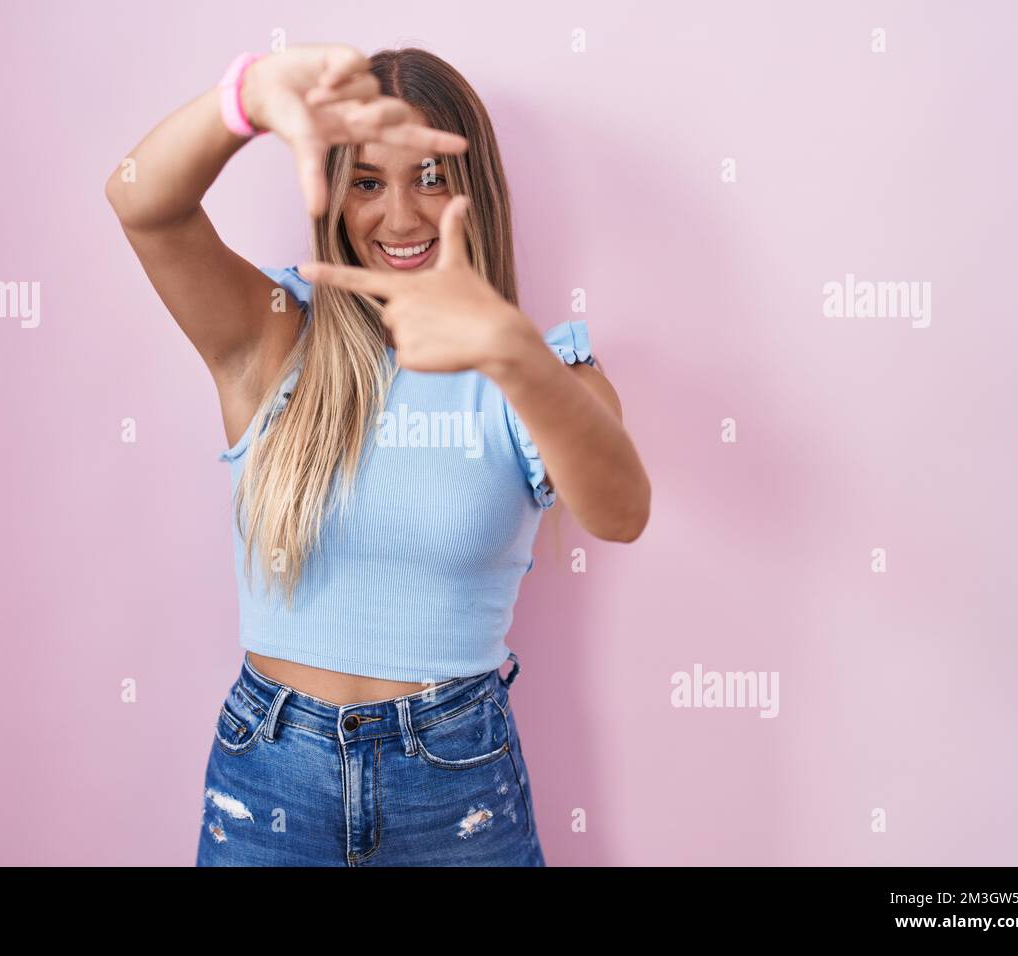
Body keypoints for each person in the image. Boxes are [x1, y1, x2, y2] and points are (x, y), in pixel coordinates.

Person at [105, 43, 651, 866]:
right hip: (271, 781)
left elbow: (622, 512)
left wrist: (511, 352)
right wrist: (244, 99)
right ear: (333, 195)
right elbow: (141, 202)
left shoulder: (539, 368)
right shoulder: (272, 331)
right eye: (367, 182)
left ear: (474, 191)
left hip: (457, 785)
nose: (399, 218)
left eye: (431, 177)